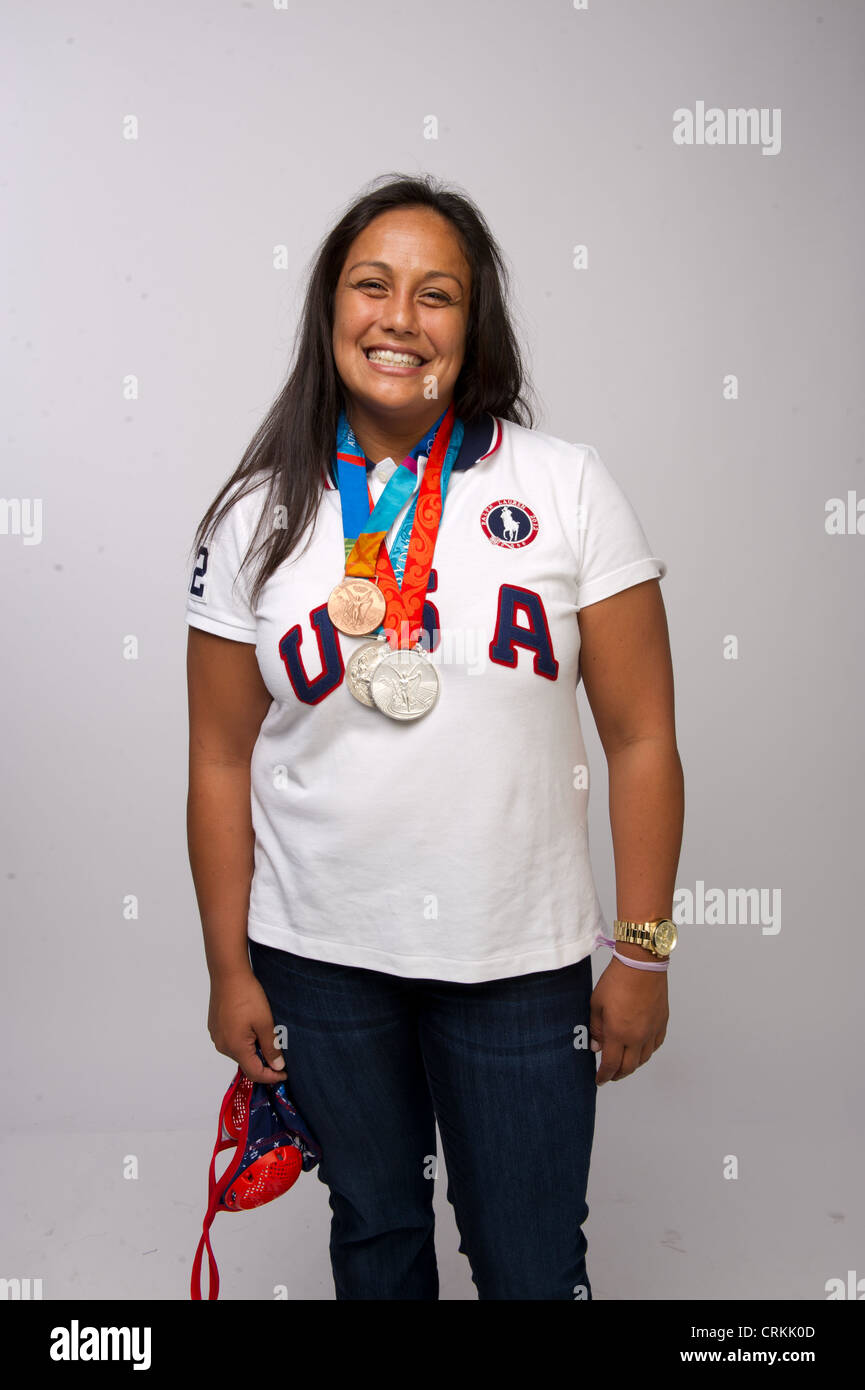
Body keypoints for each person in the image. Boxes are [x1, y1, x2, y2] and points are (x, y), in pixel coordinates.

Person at [185, 172, 684, 1301]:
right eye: (372, 285)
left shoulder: (565, 487)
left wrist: (644, 948)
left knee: (528, 1263)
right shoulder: (253, 514)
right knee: (375, 1238)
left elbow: (642, 735)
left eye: (437, 294)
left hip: (514, 960)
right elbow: (216, 758)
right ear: (330, 312)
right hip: (318, 959)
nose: (399, 317)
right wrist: (229, 967)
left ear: (474, 327)